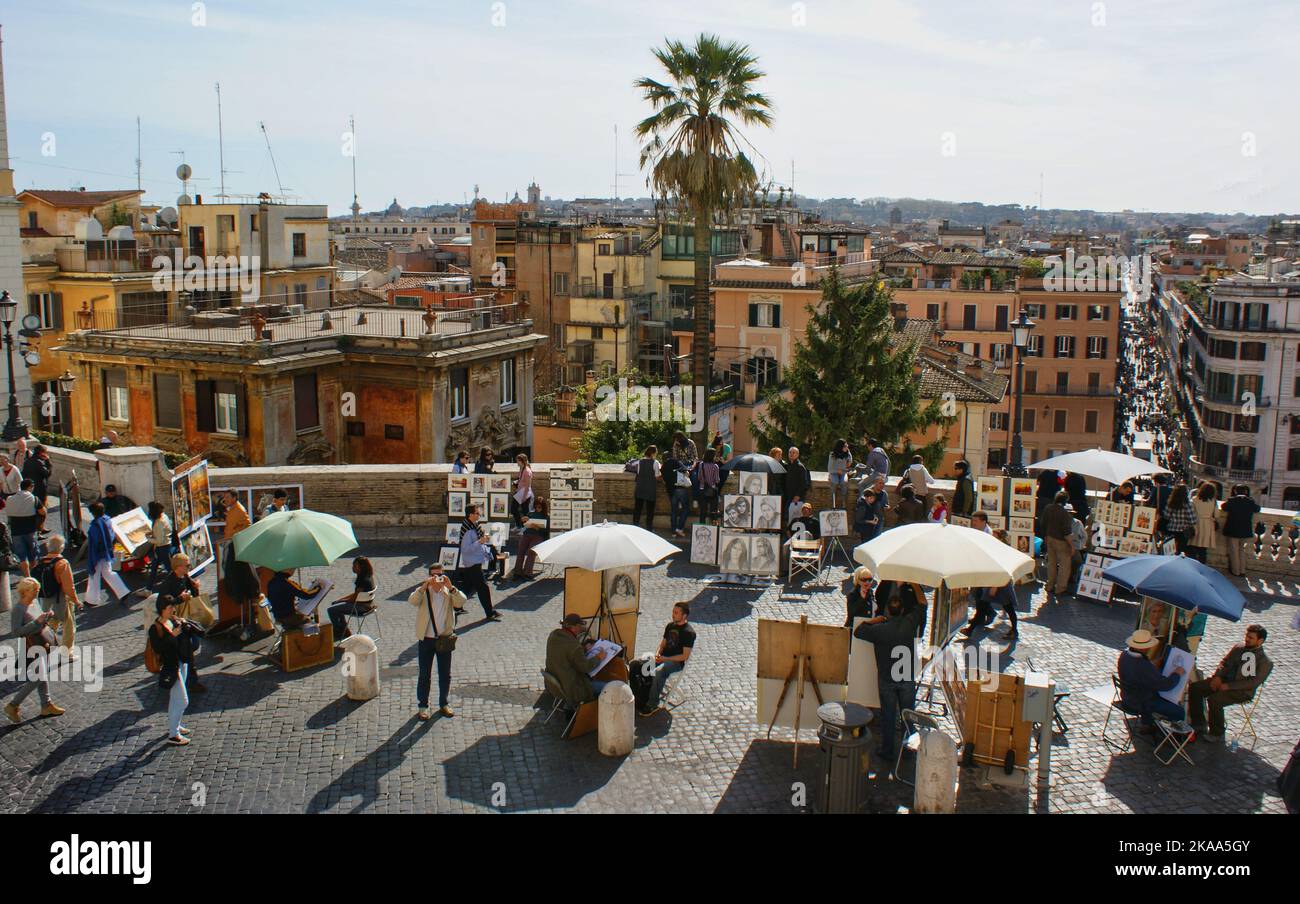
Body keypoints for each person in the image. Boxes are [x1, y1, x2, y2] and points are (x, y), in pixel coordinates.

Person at [853, 589, 925, 764]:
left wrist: (877, 619)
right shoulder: (909, 623)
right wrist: (915, 584)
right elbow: (923, 604)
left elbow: (858, 630)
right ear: (902, 610)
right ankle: (909, 748)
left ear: (887, 611)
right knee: (908, 716)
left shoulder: (880, 630)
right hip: (906, 678)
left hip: (887, 679)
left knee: (888, 717)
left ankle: (888, 751)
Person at [1188, 624, 1271, 741]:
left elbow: (1252, 683)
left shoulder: (1265, 662)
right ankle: (1199, 724)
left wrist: (1229, 686)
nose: (1247, 639)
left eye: (1251, 638)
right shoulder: (1239, 647)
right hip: (1222, 681)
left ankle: (1217, 733)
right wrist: (1217, 676)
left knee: (1215, 700)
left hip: (1241, 691)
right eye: (1247, 636)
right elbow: (1225, 663)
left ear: (1260, 641)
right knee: (1196, 688)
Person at [4, 576, 65, 723]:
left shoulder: (34, 602)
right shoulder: (18, 609)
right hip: (31, 647)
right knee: (37, 678)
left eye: (38, 590)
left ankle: (46, 705)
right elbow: (16, 632)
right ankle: (13, 705)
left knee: (42, 675)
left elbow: (39, 622)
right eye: (34, 591)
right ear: (25, 592)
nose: (37, 593)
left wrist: (46, 617)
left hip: (42, 643)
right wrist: (35, 622)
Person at [408, 562, 456, 719]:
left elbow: (461, 601)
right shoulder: (424, 591)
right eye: (434, 575)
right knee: (424, 674)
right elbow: (412, 601)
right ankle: (423, 705)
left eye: (440, 575)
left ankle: (444, 703)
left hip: (444, 639)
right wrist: (423, 587)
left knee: (445, 674)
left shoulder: (448, 591)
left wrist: (451, 587)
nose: (437, 578)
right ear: (429, 576)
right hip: (426, 640)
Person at [154, 552, 206, 692]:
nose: (189, 567)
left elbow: (194, 595)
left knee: (193, 644)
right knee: (187, 648)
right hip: (173, 621)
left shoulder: (185, 577)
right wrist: (180, 599)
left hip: (183, 617)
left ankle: (182, 672)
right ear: (178, 567)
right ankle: (191, 681)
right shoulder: (168, 583)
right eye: (187, 565)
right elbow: (162, 605)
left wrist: (195, 587)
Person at [1117, 628, 1186, 731]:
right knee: (1179, 711)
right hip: (1140, 702)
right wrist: (1177, 673)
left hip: (1127, 697)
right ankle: (1170, 735)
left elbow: (1139, 675)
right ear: (1144, 648)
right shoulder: (1143, 666)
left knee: (1148, 692)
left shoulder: (1124, 655)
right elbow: (1166, 685)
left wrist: (1152, 666)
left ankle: (1147, 724)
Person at [149, 594, 193, 746]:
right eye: (170, 607)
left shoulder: (172, 620)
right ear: (162, 609)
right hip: (170, 667)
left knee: (175, 699)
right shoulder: (155, 629)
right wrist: (172, 636)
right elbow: (158, 648)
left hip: (181, 662)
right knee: (183, 700)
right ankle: (174, 735)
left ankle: (175, 726)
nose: (173, 609)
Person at [638, 602, 695, 716]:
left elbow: (684, 656)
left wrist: (665, 659)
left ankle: (652, 704)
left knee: (658, 672)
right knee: (638, 665)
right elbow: (662, 644)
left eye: (676, 612)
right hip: (663, 658)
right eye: (673, 612)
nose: (673, 614)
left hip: (675, 662)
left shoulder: (689, 632)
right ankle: (641, 697)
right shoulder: (670, 626)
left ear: (684, 616)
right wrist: (658, 654)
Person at [33, 535, 79, 661]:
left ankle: (42, 649)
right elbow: (69, 587)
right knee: (69, 626)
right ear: (61, 548)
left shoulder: (41, 561)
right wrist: (76, 600)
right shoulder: (62, 563)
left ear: (48, 547)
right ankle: (66, 654)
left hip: (45, 599)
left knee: (50, 624)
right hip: (61, 599)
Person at [545, 613, 606, 706]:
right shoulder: (574, 646)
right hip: (573, 689)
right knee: (608, 687)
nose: (581, 628)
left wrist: (584, 649)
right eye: (580, 625)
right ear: (575, 627)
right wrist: (599, 657)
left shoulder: (553, 635)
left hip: (556, 684)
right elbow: (585, 667)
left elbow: (565, 652)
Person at [457, 505, 499, 621]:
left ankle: (456, 606)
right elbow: (465, 549)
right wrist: (480, 541)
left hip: (475, 560)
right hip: (472, 562)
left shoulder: (474, 526)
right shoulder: (467, 530)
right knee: (483, 588)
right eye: (476, 513)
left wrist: (482, 539)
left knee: (467, 587)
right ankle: (490, 613)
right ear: (470, 515)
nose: (479, 515)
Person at [327, 556, 377, 639]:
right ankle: (344, 630)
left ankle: (338, 632)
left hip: (361, 607)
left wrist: (340, 601)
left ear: (361, 567)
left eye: (355, 566)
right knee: (339, 608)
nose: (352, 568)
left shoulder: (362, 580)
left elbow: (354, 598)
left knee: (332, 610)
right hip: (368, 604)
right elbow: (356, 595)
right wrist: (340, 600)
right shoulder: (368, 576)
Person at [1220, 484, 1260, 577]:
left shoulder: (1232, 500)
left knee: (1234, 551)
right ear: (1246, 492)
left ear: (1235, 491)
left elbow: (1223, 507)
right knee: (1241, 550)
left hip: (1233, 529)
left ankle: (1236, 571)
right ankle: (1242, 570)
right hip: (1245, 530)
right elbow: (1257, 509)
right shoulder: (1250, 501)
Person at [1041, 491, 1074, 602]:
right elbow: (1067, 533)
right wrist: (1072, 546)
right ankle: (1060, 588)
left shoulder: (1048, 508)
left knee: (1052, 563)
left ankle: (1050, 585)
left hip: (1049, 538)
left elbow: (1043, 523)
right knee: (1065, 565)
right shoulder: (1064, 514)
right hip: (1061, 541)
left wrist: (1045, 536)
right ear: (1065, 502)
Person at [5, 479, 43, 576]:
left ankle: (27, 576)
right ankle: (34, 574)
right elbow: (43, 512)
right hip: (30, 530)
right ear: (30, 487)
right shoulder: (34, 499)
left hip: (16, 531)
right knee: (33, 554)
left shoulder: (10, 499)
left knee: (21, 556)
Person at [266, 566, 318, 633]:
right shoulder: (286, 583)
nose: (294, 570)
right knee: (312, 625)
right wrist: (318, 588)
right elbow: (306, 595)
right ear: (286, 570)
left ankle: (291, 638)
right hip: (289, 617)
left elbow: (279, 598)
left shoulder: (271, 582)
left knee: (300, 615)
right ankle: (308, 640)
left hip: (278, 616)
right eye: (293, 568)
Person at [510, 498, 549, 580]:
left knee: (531, 552)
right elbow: (522, 525)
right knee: (521, 551)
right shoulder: (530, 514)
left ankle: (527, 573)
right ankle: (517, 572)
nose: (537, 509)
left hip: (538, 536)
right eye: (536, 507)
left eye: (539, 507)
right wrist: (522, 520)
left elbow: (546, 531)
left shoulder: (546, 516)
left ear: (543, 507)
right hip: (527, 534)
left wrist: (538, 528)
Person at [21, 445, 52, 533]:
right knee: (42, 511)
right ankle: (39, 529)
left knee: (32, 509)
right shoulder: (40, 462)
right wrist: (48, 461)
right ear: (42, 453)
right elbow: (47, 473)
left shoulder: (27, 461)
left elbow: (24, 475)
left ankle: (39, 528)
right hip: (40, 489)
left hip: (30, 489)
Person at [145, 501, 175, 590]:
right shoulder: (164, 516)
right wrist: (152, 532)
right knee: (155, 567)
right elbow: (164, 531)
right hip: (166, 545)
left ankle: (176, 585)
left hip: (162, 548)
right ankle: (148, 588)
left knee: (168, 568)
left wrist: (148, 538)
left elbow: (159, 540)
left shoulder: (158, 522)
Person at [1187, 482, 1218, 564]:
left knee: (1192, 546)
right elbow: (1217, 515)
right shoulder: (1213, 501)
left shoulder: (1194, 499)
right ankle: (1201, 565)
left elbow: (1191, 512)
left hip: (1196, 523)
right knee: (1203, 549)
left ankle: (1191, 564)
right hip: (1208, 525)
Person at [632, 445, 661, 530]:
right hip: (650, 488)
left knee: (638, 508)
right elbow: (657, 476)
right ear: (652, 453)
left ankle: (635, 525)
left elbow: (638, 473)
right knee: (650, 510)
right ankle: (649, 528)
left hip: (640, 487)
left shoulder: (640, 462)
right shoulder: (655, 463)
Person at [1162, 483, 1196, 556]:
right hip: (1183, 532)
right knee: (1181, 551)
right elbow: (1192, 520)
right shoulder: (1188, 504)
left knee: (1170, 551)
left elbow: (1166, 516)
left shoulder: (1171, 503)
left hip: (1171, 529)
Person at [782, 446, 811, 526]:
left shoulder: (800, 467)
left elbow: (804, 483)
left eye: (793, 452)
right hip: (788, 496)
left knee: (798, 519)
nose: (791, 454)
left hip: (797, 497)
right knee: (788, 517)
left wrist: (798, 495)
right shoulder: (787, 466)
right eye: (790, 452)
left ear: (797, 454)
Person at [693, 448, 721, 524]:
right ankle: (713, 527)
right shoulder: (715, 466)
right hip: (713, 490)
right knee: (713, 511)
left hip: (702, 489)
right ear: (712, 456)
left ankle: (702, 526)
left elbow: (699, 477)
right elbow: (717, 480)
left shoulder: (701, 465)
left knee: (703, 511)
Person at [827, 439, 853, 508]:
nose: (846, 447)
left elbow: (850, 462)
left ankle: (844, 502)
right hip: (834, 472)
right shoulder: (832, 455)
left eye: (847, 446)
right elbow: (829, 469)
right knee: (835, 482)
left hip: (843, 472)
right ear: (840, 446)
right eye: (845, 446)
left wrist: (848, 452)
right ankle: (833, 503)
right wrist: (837, 471)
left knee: (843, 482)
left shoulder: (847, 454)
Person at [511, 453, 534, 529]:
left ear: (522, 461)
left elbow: (528, 485)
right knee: (515, 509)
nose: (516, 462)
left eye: (517, 461)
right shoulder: (522, 469)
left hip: (524, 493)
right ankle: (519, 525)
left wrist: (524, 497)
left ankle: (524, 527)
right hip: (520, 492)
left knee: (525, 512)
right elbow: (522, 480)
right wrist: (516, 482)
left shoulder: (527, 471)